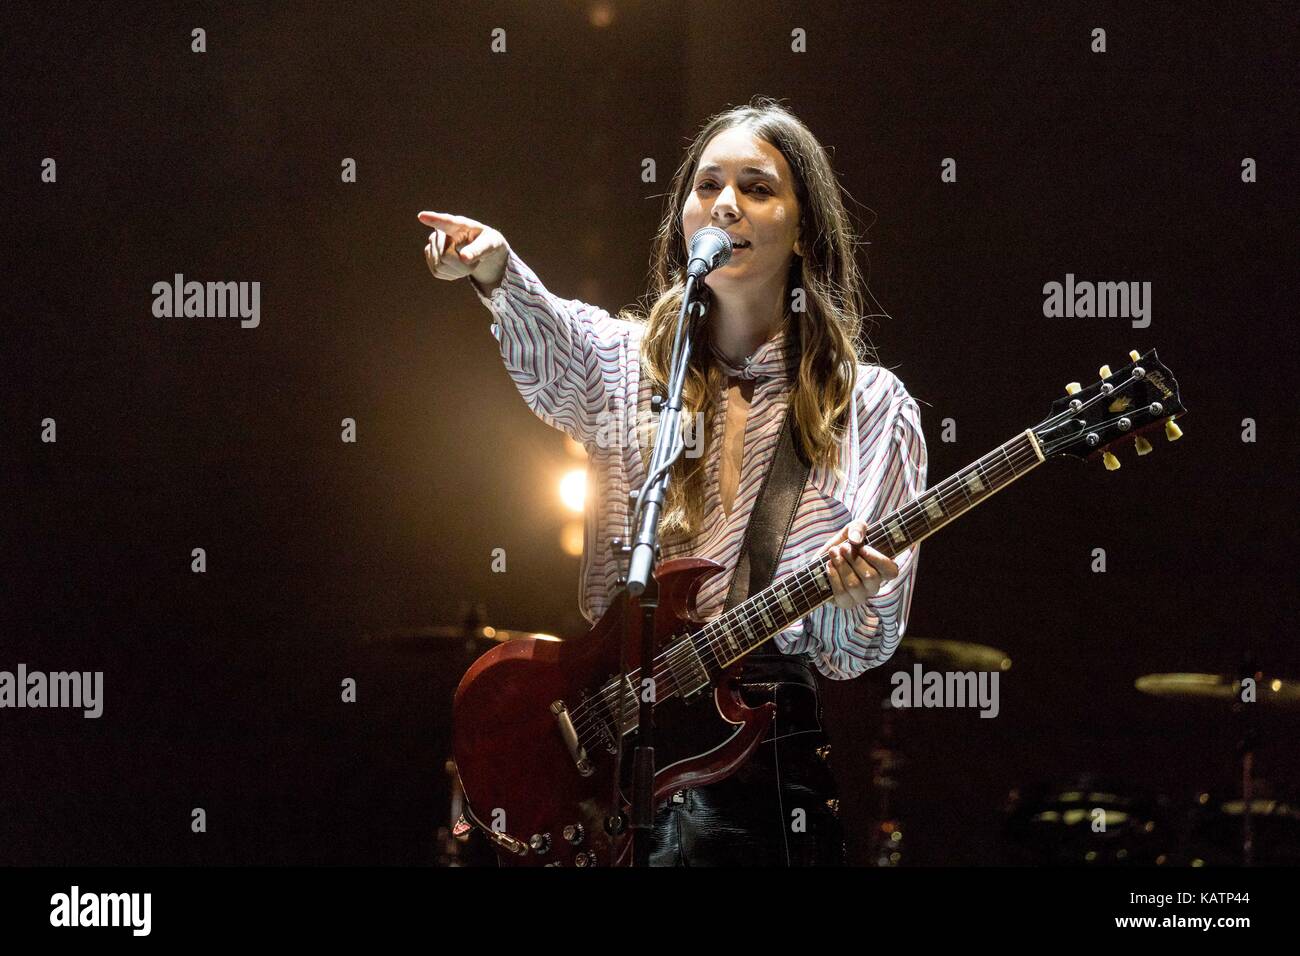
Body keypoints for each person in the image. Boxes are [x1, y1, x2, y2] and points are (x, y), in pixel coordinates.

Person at [421, 97, 927, 866]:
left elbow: (855, 652)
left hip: (759, 757)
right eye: (706, 185)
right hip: (607, 732)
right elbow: (553, 346)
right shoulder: (628, 366)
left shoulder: (871, 406)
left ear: (805, 229)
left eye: (757, 188)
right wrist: (492, 267)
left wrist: (863, 596)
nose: (725, 203)